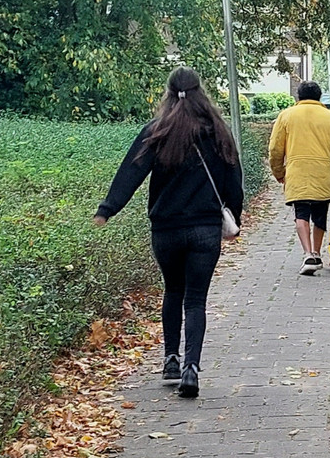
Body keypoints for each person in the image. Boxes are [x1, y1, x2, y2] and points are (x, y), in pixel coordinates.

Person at [93, 66, 243, 398]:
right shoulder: (217, 131)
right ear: (200, 91)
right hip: (205, 230)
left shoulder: (157, 130)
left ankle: (171, 360)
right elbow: (234, 178)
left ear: (168, 93)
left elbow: (130, 172)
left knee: (173, 291)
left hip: (167, 230)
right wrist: (236, 215)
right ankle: (192, 367)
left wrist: (107, 209)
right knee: (196, 300)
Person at [268, 80, 330, 275]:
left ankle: (307, 254)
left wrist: (279, 173)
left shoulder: (286, 116)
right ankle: (316, 251)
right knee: (320, 216)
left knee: (301, 213)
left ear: (299, 97)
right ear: (319, 97)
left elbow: (275, 149)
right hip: (322, 173)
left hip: (297, 173)